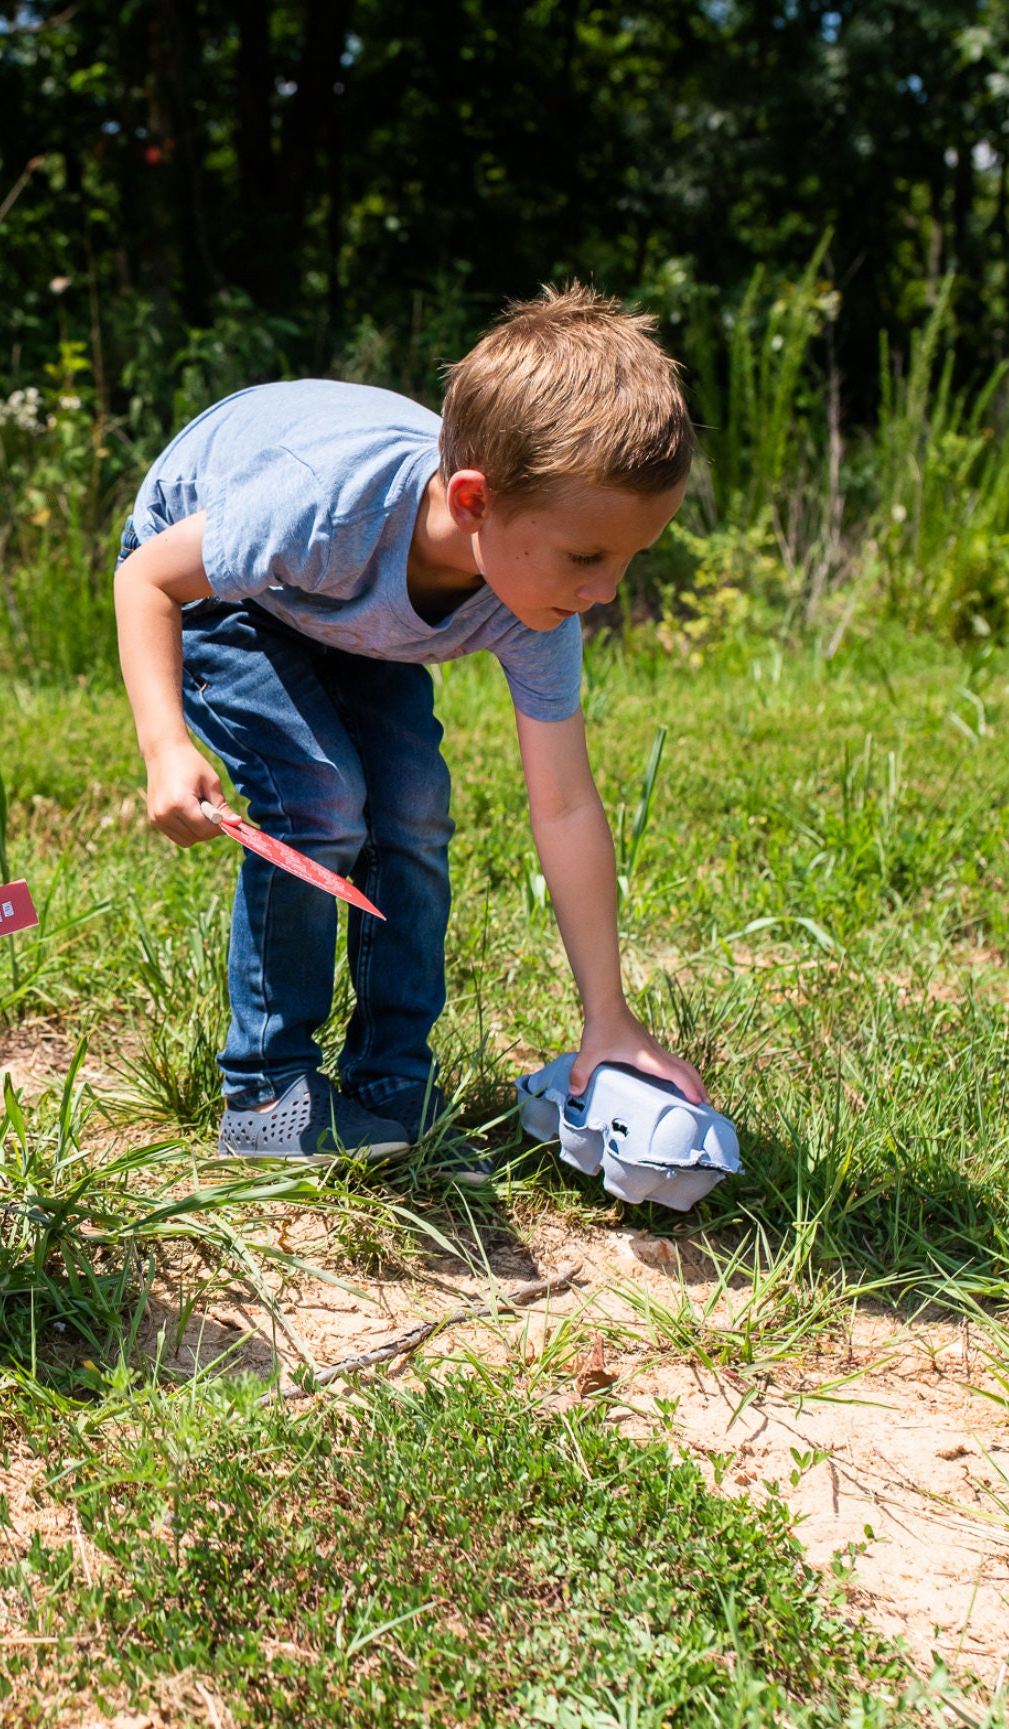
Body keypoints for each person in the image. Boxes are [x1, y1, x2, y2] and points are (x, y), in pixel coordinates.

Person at [113, 285, 708, 1166]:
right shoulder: (330, 505)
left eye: (627, 557)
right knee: (320, 799)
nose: (605, 591)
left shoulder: (533, 603)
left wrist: (607, 1018)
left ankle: (391, 1081)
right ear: (473, 502)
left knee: (414, 806)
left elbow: (566, 807)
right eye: (587, 556)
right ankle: (267, 1096)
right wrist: (166, 747)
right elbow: (149, 581)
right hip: (215, 582)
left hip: (339, 609)